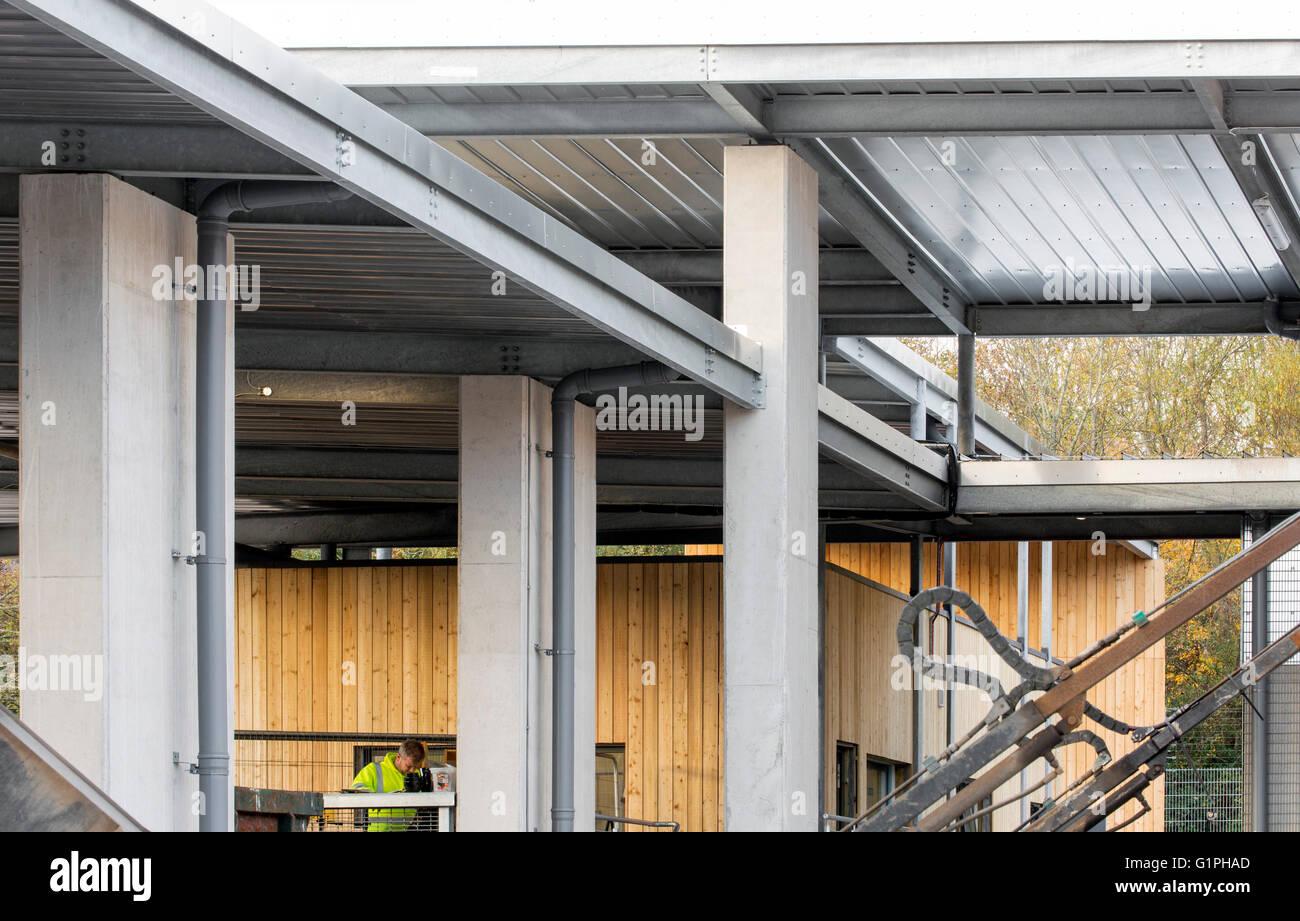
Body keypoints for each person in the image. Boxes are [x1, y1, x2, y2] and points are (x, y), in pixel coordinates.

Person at [349, 739, 426, 831]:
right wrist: (379, 800)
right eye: (408, 766)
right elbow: (356, 792)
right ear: (398, 757)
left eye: (415, 766)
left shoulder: (417, 776)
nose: (412, 770)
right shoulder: (373, 770)